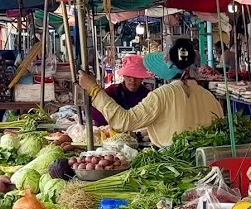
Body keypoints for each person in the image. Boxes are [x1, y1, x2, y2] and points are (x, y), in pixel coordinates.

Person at [78, 39, 224, 147]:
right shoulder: (210, 97)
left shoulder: (162, 95)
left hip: (174, 168)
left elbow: (124, 121)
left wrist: (94, 89)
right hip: (205, 166)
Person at [88, 55, 152, 126]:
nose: (132, 80)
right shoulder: (112, 91)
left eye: (137, 77)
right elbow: (93, 113)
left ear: (142, 78)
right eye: (128, 76)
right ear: (124, 75)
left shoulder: (149, 96)